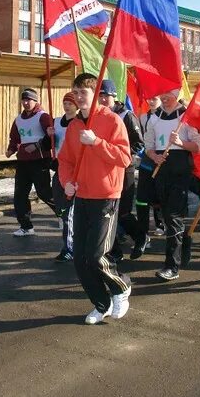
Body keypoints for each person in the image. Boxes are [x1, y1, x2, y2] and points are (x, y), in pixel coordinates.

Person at [58, 72, 133, 325]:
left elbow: (124, 158)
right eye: (75, 92)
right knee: (79, 258)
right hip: (82, 196)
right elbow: (65, 160)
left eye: (84, 92)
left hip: (106, 196)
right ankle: (101, 303)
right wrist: (66, 182)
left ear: (96, 94)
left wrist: (97, 142)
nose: (79, 97)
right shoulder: (74, 125)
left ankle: (121, 288)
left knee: (96, 255)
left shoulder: (112, 121)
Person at [145, 88, 200, 281]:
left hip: (180, 172)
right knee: (167, 216)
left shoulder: (186, 116)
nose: (164, 98)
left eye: (168, 94)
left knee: (173, 216)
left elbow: (198, 146)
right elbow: (148, 146)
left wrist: (180, 142)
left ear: (177, 93)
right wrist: (154, 156)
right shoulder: (154, 117)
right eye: (162, 95)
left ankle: (172, 266)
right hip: (162, 170)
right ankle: (184, 242)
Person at [97, 80, 148, 261]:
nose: (103, 100)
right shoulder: (98, 116)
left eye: (106, 96)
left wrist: (121, 155)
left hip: (123, 169)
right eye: (100, 96)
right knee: (108, 212)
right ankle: (115, 252)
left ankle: (141, 237)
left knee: (123, 212)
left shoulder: (127, 115)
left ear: (114, 96)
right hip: (104, 170)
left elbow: (139, 143)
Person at [6, 88, 56, 236]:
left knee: (44, 193)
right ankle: (26, 226)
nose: (26, 103)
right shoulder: (18, 119)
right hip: (22, 161)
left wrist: (37, 145)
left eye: (29, 100)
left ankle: (63, 215)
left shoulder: (43, 117)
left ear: (36, 101)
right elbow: (15, 138)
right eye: (24, 100)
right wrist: (11, 149)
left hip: (40, 160)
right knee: (20, 194)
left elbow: (52, 136)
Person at [49, 91, 79, 262]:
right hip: (59, 168)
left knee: (70, 212)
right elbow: (48, 146)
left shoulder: (79, 123)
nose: (67, 106)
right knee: (61, 208)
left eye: (70, 103)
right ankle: (71, 242)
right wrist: (50, 136)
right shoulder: (56, 122)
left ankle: (70, 247)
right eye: (65, 103)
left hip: (75, 170)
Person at [136, 95, 166, 240]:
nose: (151, 101)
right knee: (142, 197)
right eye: (149, 98)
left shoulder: (166, 116)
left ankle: (160, 223)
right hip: (147, 161)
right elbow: (141, 138)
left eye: (155, 98)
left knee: (158, 195)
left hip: (162, 162)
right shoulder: (143, 117)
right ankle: (143, 232)